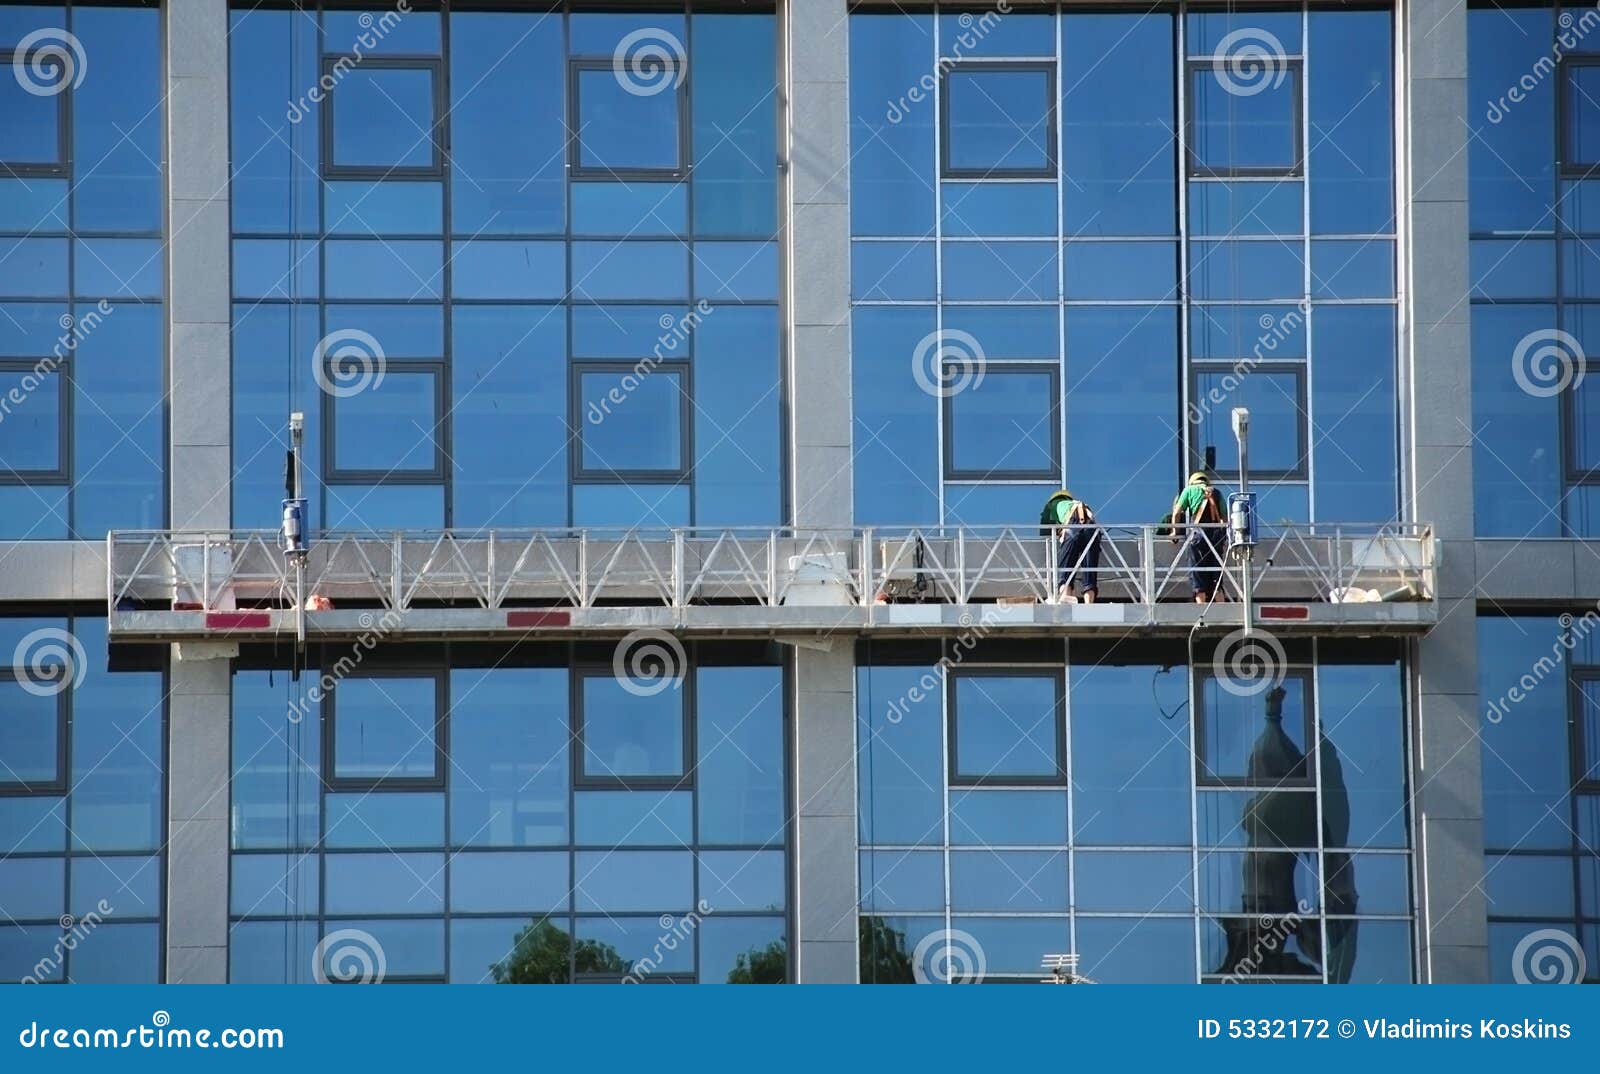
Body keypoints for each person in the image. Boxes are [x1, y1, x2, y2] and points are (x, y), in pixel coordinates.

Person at [1168, 471, 1228, 603]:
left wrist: (1175, 531)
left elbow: (1177, 512)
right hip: (1216, 537)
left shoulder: (1189, 490)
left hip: (1199, 536)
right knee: (1216, 578)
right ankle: (1222, 606)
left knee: (1197, 574)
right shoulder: (1217, 492)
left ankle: (1201, 610)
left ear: (1193, 481)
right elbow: (1224, 517)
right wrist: (1224, 537)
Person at [1039, 489, 1099, 604]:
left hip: (1073, 524)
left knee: (1066, 563)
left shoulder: (1052, 504)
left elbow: (1044, 529)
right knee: (1089, 567)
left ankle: (1066, 597)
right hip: (1091, 527)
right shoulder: (1076, 504)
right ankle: (1089, 603)